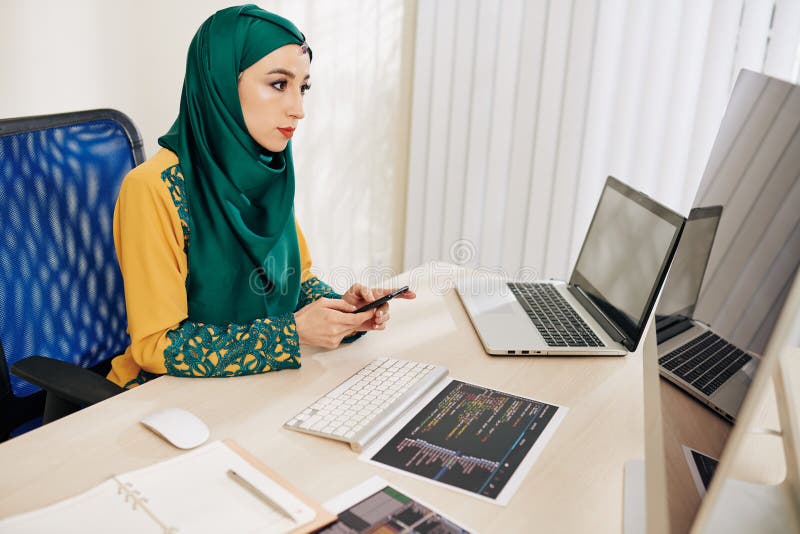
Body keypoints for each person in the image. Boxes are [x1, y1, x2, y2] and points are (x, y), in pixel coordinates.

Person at [107, 5, 414, 388]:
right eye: (278, 84)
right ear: (220, 83)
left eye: (303, 88)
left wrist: (342, 310)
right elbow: (155, 347)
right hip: (166, 396)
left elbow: (294, 282)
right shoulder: (154, 188)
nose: (298, 109)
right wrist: (292, 334)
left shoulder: (269, 173)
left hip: (259, 384)